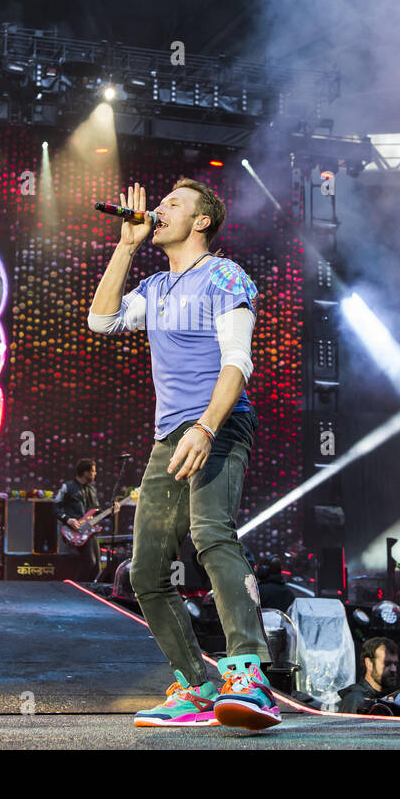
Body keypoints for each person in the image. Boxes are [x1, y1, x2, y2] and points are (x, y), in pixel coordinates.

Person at [89, 179, 275, 730]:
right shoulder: (156, 287)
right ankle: (196, 685)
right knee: (144, 570)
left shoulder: (225, 277)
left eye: (172, 204)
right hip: (170, 435)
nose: (158, 210)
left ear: (200, 222)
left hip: (219, 424)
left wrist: (206, 426)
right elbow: (100, 321)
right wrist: (125, 245)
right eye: (161, 203)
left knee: (211, 532)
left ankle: (250, 674)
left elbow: (237, 362)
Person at [53, 458, 111, 581]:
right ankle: (77, 589)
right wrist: (68, 520)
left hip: (89, 531)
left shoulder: (92, 490)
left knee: (96, 567)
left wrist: (111, 511)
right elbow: (56, 507)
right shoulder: (67, 487)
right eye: (93, 471)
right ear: (86, 472)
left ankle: (88, 591)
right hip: (75, 530)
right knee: (90, 561)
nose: (95, 474)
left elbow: (97, 512)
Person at [337, 637, 400, 715]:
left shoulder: (390, 700)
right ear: (369, 663)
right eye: (386, 663)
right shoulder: (356, 700)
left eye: (395, 664)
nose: (393, 669)